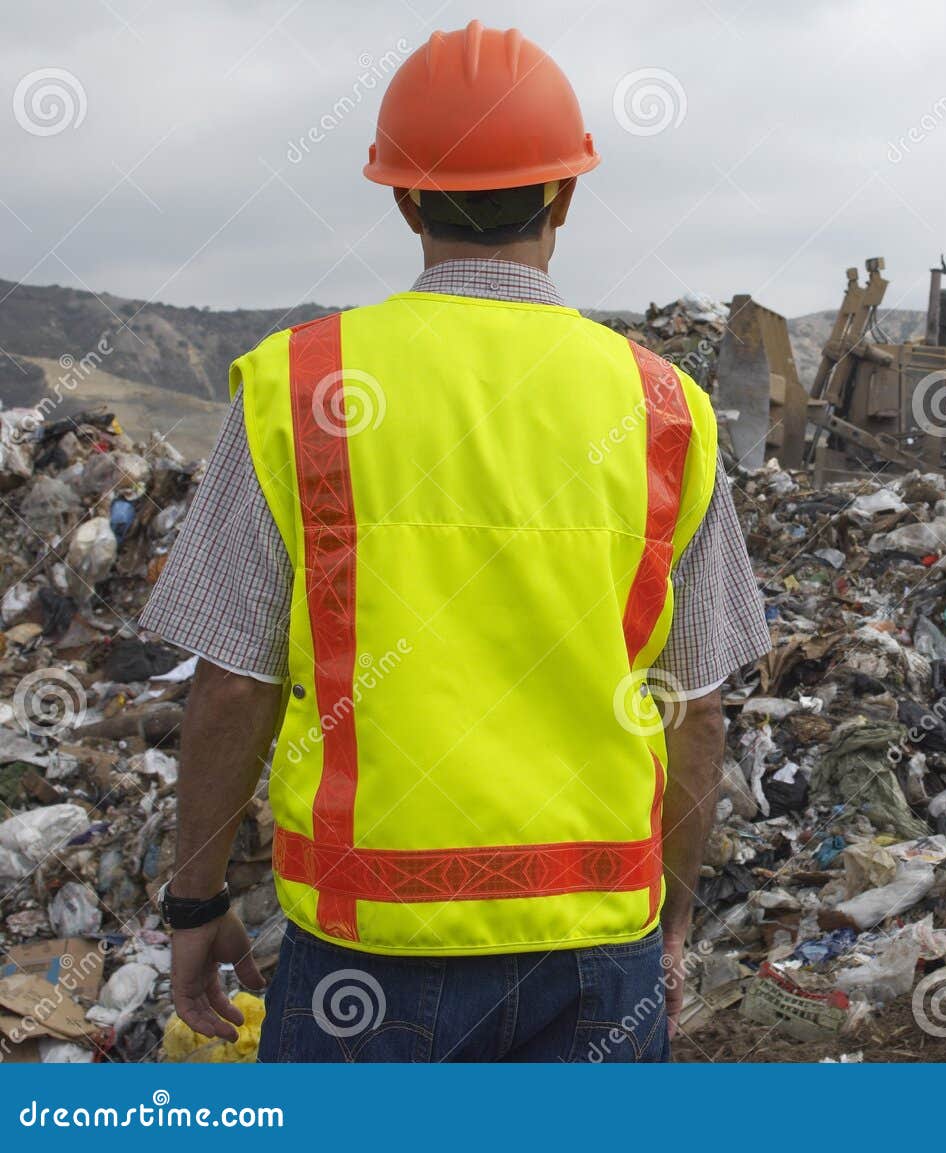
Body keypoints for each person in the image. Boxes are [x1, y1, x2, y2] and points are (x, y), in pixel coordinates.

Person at [139, 20, 769, 1062]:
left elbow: (235, 685)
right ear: (563, 196)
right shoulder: (664, 408)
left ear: (403, 198)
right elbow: (694, 708)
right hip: (596, 945)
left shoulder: (303, 386)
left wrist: (195, 899)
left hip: (367, 951)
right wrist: (675, 916)